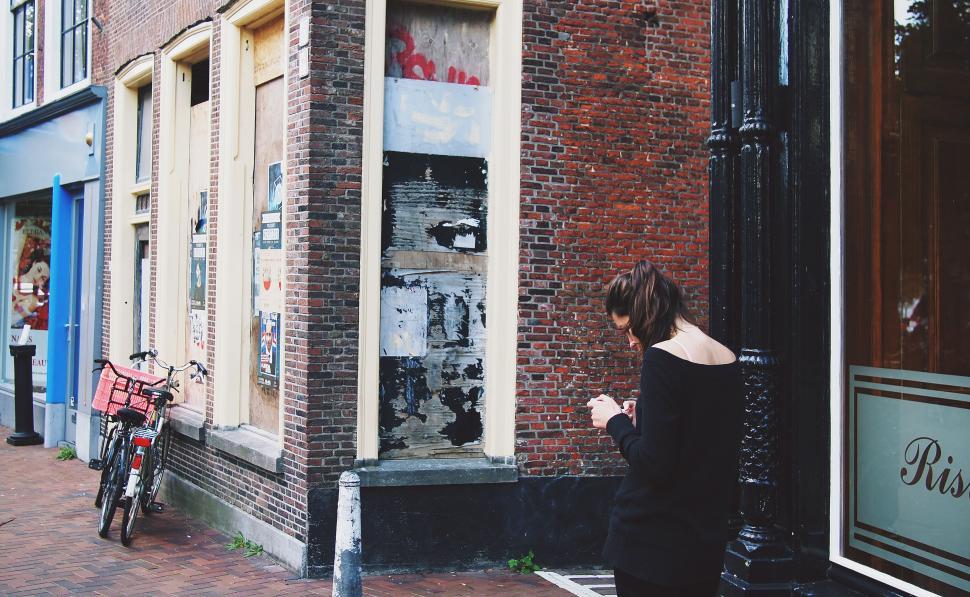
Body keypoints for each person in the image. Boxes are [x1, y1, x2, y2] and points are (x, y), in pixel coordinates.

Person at [587, 259, 743, 597]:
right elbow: (701, 439)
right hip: (703, 542)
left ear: (645, 314)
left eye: (627, 330)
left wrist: (614, 420)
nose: (629, 342)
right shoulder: (727, 358)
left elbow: (655, 464)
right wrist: (642, 416)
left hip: (652, 543)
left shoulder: (661, 357)